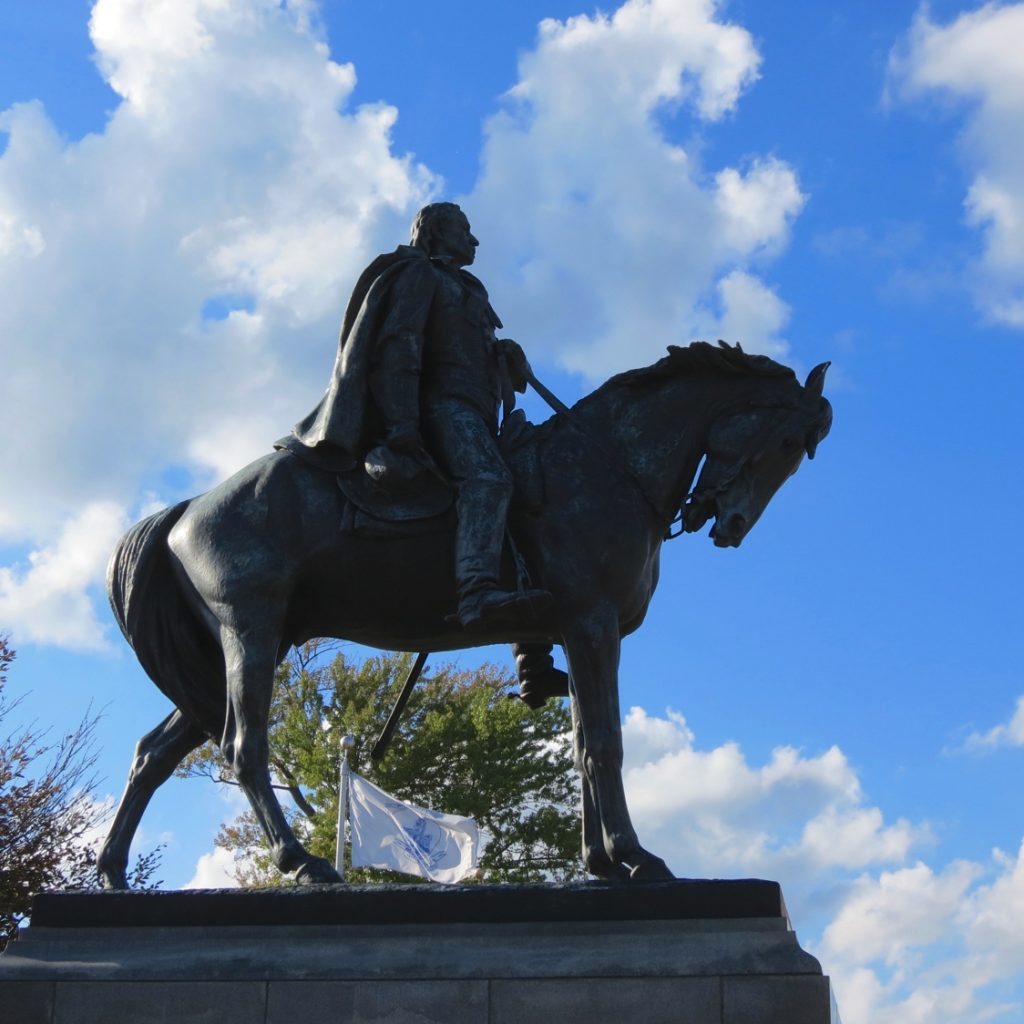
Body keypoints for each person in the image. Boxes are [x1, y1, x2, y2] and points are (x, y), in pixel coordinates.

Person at [283, 202, 551, 630]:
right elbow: (400, 346)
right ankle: (476, 591)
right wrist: (402, 423)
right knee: (488, 481)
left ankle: (529, 644)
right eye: (464, 230)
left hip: (477, 415)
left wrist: (501, 355)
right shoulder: (419, 274)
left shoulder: (468, 288)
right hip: (441, 408)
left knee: (530, 489)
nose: (474, 240)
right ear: (437, 232)